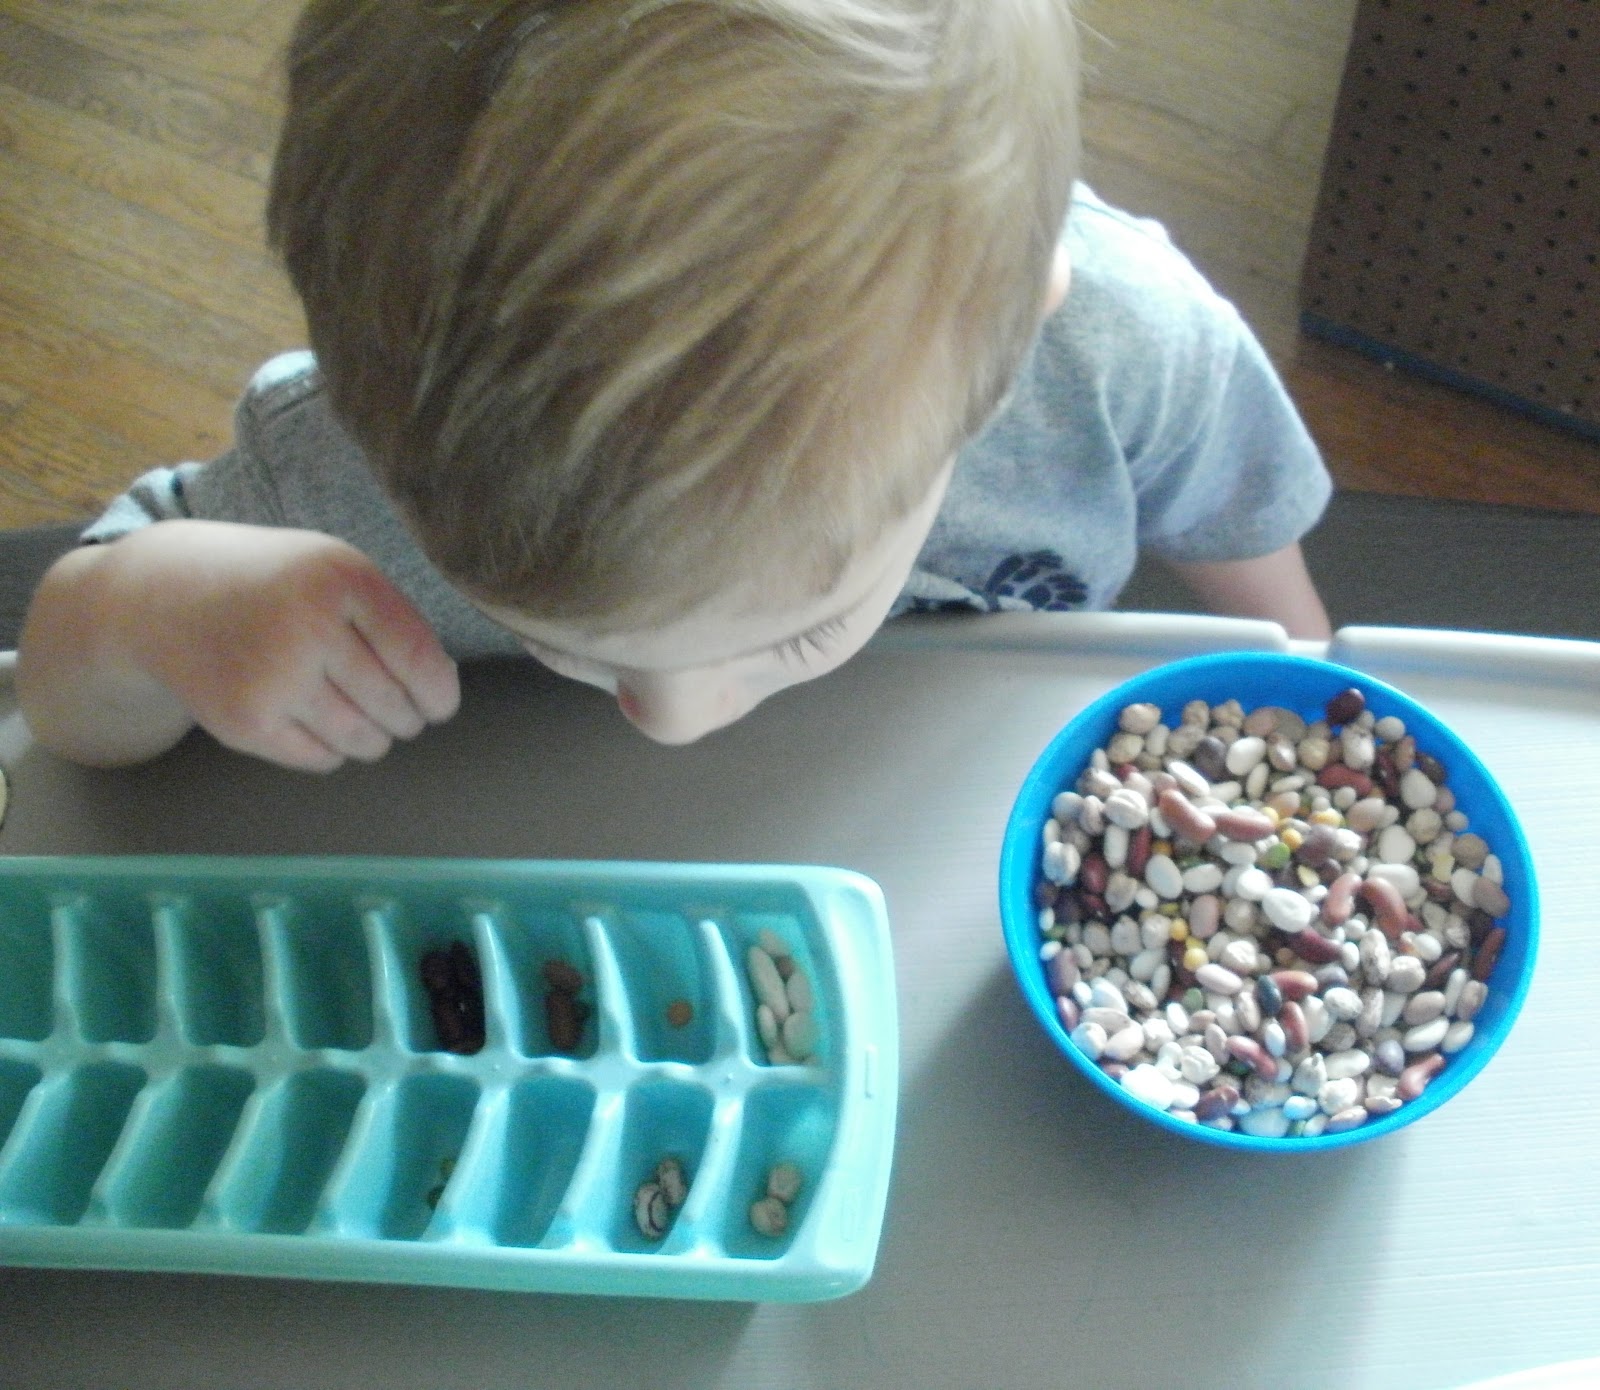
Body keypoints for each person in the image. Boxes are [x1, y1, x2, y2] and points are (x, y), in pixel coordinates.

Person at [16, 0, 1332, 773]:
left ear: (1014, 343)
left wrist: (1308, 679)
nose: (674, 727)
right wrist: (152, 611)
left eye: (800, 630)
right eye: (562, 642)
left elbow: (1233, 501)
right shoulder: (386, 463)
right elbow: (60, 714)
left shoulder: (1118, 348)